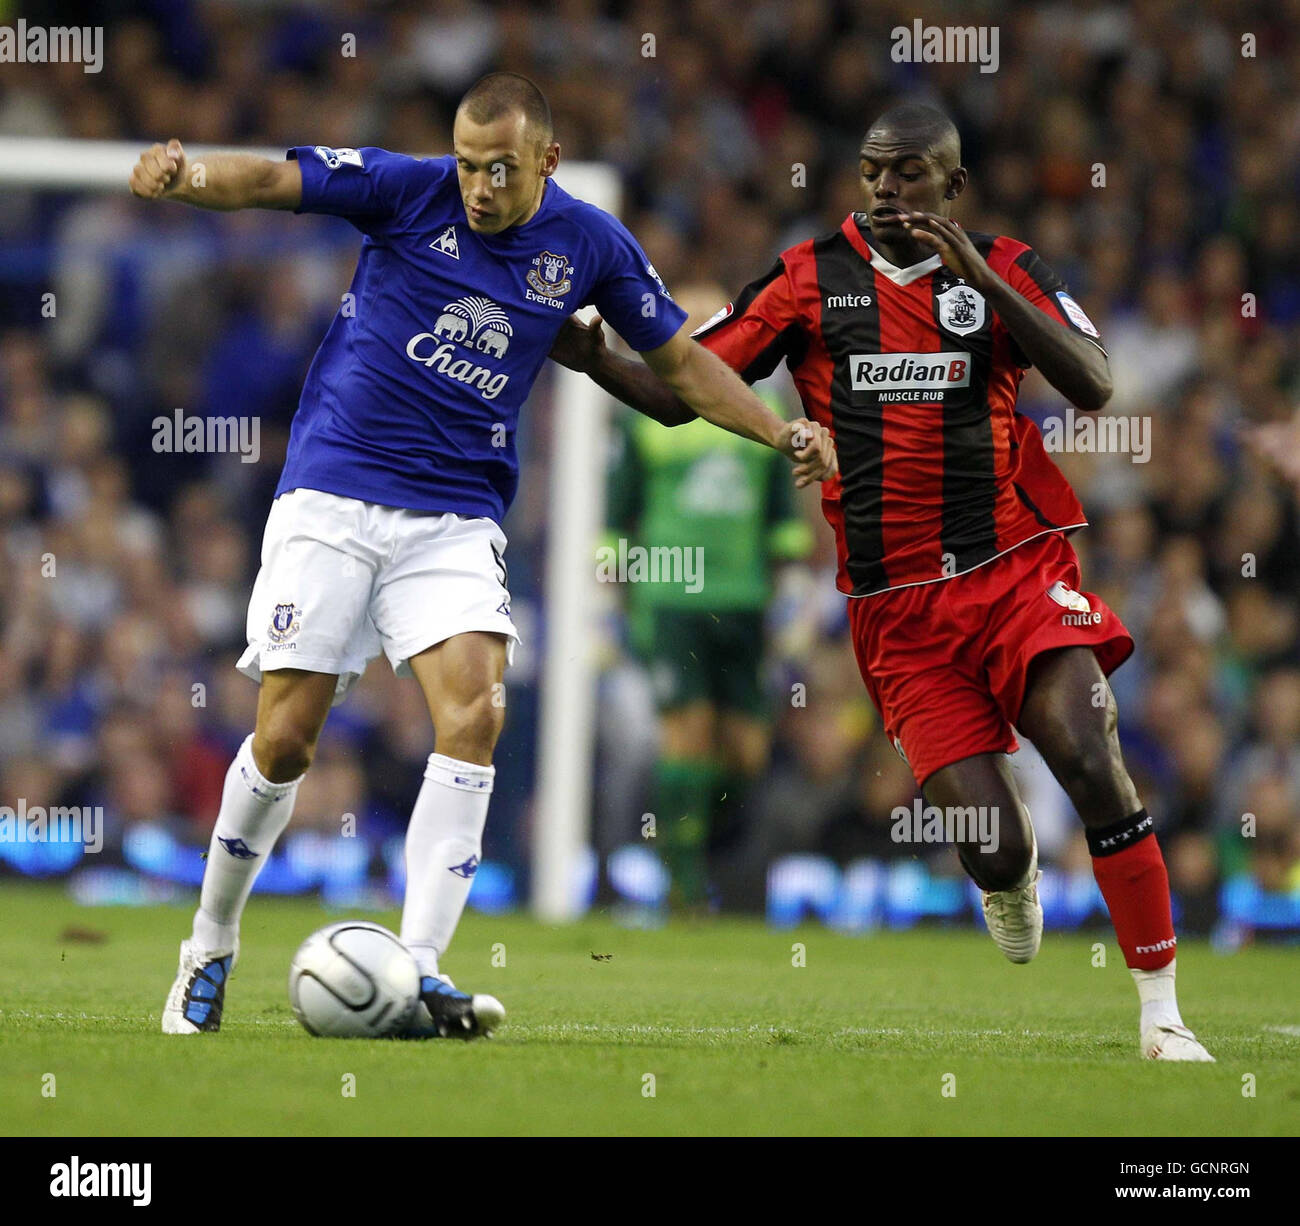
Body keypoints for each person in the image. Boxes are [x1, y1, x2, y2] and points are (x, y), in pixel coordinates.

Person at [129, 72, 836, 1039]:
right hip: (336, 490)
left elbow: (679, 367)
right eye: (467, 165)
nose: (478, 188)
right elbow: (273, 180)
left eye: (500, 169)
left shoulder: (589, 243)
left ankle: (418, 972)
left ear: (546, 160)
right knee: (286, 738)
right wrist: (188, 173)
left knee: (476, 712)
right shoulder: (406, 189)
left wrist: (778, 429)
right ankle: (208, 946)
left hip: (456, 516)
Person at [549, 103, 1213, 1061]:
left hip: (1014, 571)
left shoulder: (1014, 267)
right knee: (991, 841)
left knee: (1084, 749)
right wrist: (596, 355)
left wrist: (985, 281)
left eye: (910, 176)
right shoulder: (805, 281)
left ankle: (1162, 1015)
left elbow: (1095, 382)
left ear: (955, 187)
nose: (889, 193)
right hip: (897, 613)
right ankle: (1008, 872)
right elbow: (682, 386)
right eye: (873, 175)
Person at [603, 283, 814, 910]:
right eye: (687, 325)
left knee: (745, 752)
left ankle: (701, 843)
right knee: (687, 734)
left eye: (711, 323)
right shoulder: (646, 415)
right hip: (671, 599)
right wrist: (608, 602)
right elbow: (619, 518)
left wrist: (793, 596)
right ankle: (682, 881)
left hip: (745, 602)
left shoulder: (760, 408)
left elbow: (784, 523)